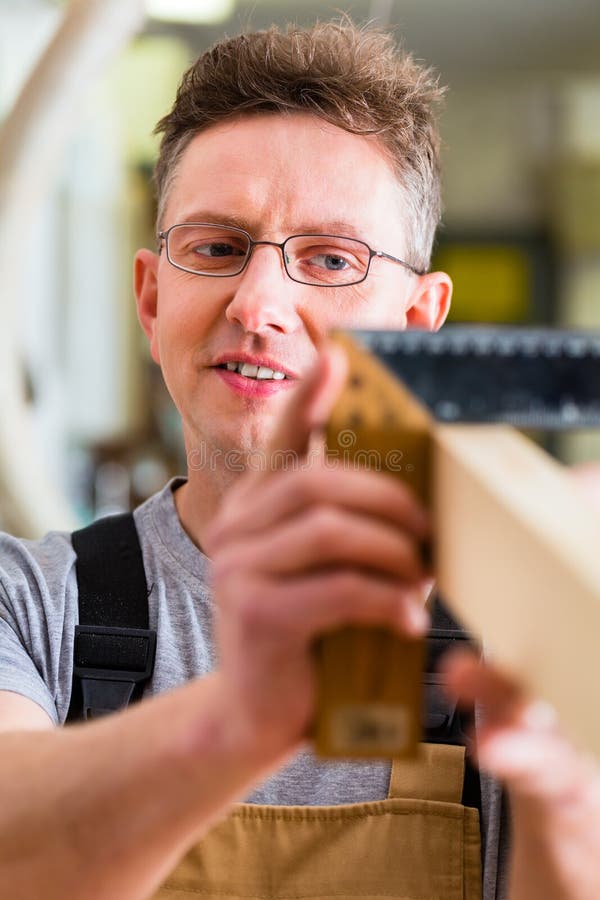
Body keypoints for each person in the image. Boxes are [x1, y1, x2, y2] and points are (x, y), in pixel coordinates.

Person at [1, 20, 599, 900]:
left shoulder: (520, 629)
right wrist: (247, 712)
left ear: (418, 324)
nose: (259, 302)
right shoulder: (32, 607)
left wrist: (566, 819)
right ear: (151, 295)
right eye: (217, 248)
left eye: (330, 258)